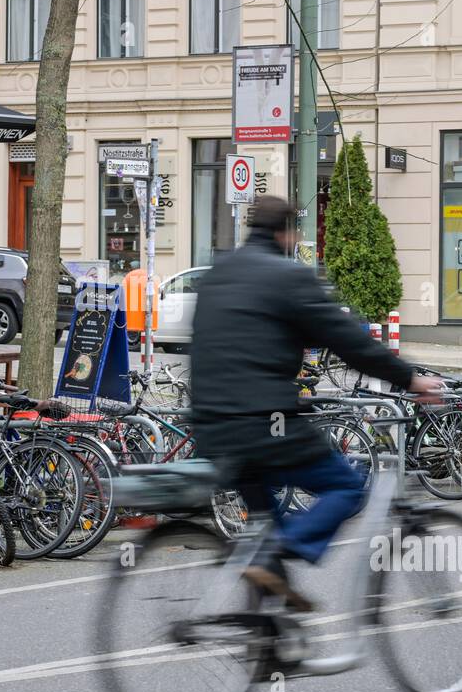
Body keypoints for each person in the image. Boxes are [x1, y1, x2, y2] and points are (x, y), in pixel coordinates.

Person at [189, 195, 444, 611]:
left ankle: (267, 639)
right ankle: (282, 551)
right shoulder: (288, 275)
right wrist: (410, 378)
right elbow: (349, 342)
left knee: (263, 529)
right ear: (286, 232)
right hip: (265, 425)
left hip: (212, 429)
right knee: (345, 485)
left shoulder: (217, 274)